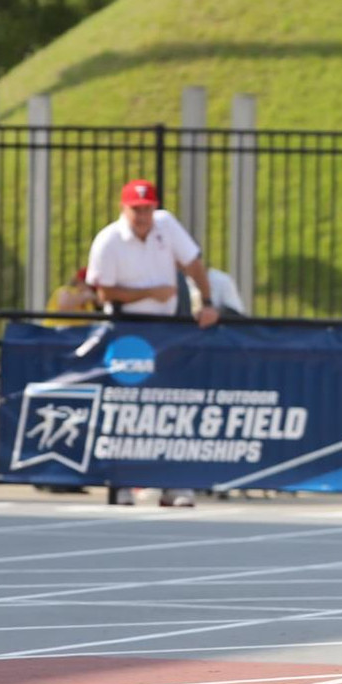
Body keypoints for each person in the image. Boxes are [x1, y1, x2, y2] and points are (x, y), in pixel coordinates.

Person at [86, 179, 219, 507]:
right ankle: (122, 481)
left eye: (147, 208)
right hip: (127, 330)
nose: (143, 215)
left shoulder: (166, 225)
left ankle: (172, 481)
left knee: (170, 403)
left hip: (166, 329)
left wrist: (207, 300)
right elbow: (104, 292)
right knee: (125, 407)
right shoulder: (109, 241)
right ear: (124, 208)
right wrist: (151, 292)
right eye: (136, 209)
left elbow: (193, 263)